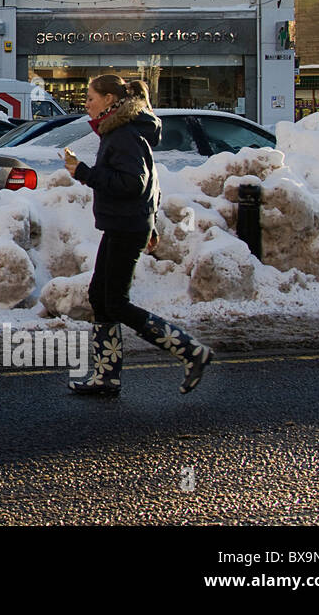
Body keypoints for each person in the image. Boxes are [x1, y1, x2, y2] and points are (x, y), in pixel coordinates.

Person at [62, 74, 213, 396]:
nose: (86, 104)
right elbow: (151, 182)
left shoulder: (123, 134)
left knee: (115, 302)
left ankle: (191, 350)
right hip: (125, 223)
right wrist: (152, 221)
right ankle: (106, 377)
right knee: (100, 297)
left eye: (90, 98)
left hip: (126, 225)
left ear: (108, 99)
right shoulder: (121, 131)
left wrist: (84, 173)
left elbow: (133, 183)